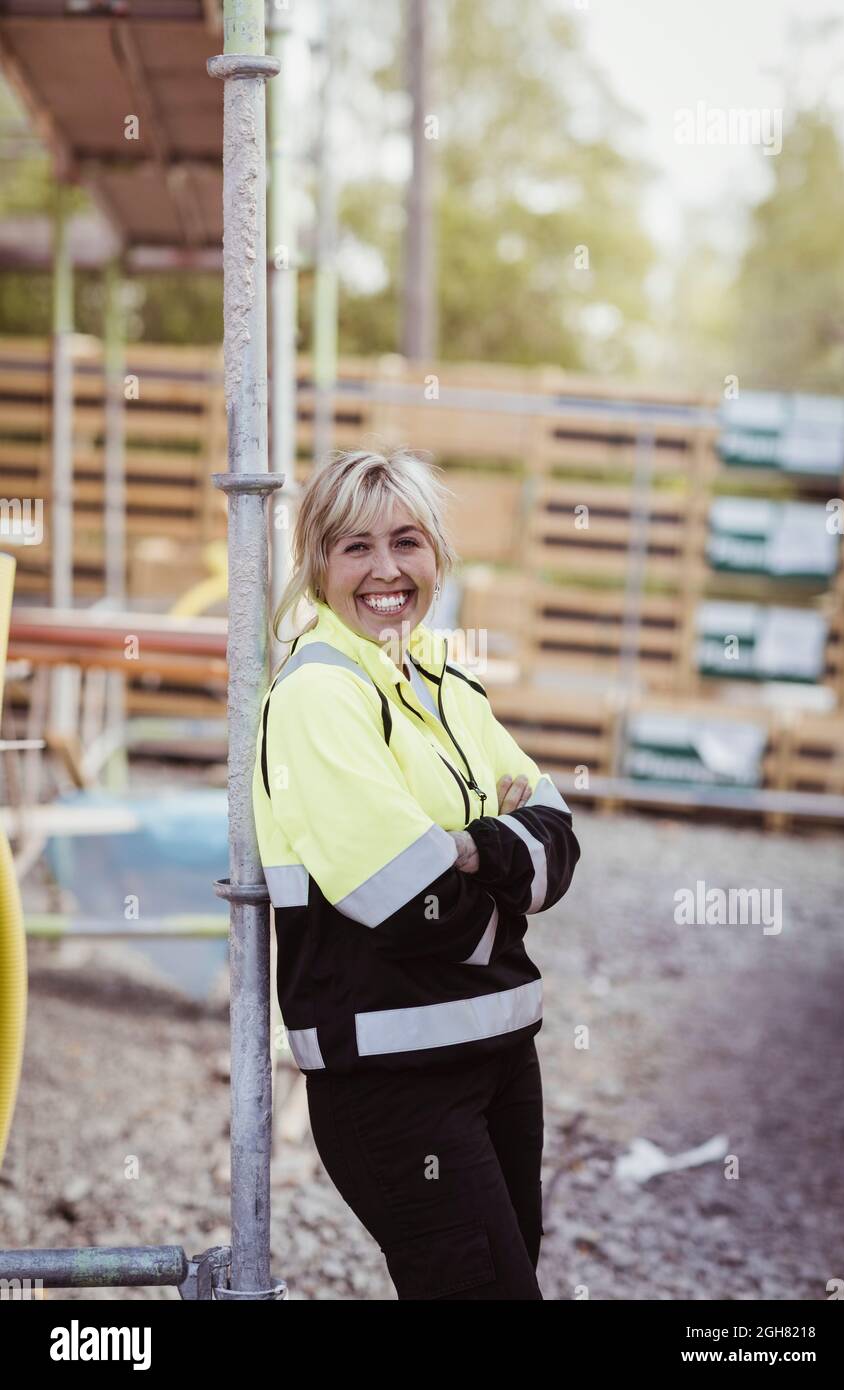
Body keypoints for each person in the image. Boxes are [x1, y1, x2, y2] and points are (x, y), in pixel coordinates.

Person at [252, 447, 581, 1299]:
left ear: (438, 556)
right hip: (397, 1084)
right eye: (354, 547)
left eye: (406, 541)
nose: (386, 570)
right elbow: (410, 903)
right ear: (317, 565)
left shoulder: (447, 685)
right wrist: (494, 856)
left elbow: (560, 844)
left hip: (502, 1055)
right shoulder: (319, 695)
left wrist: (474, 847)